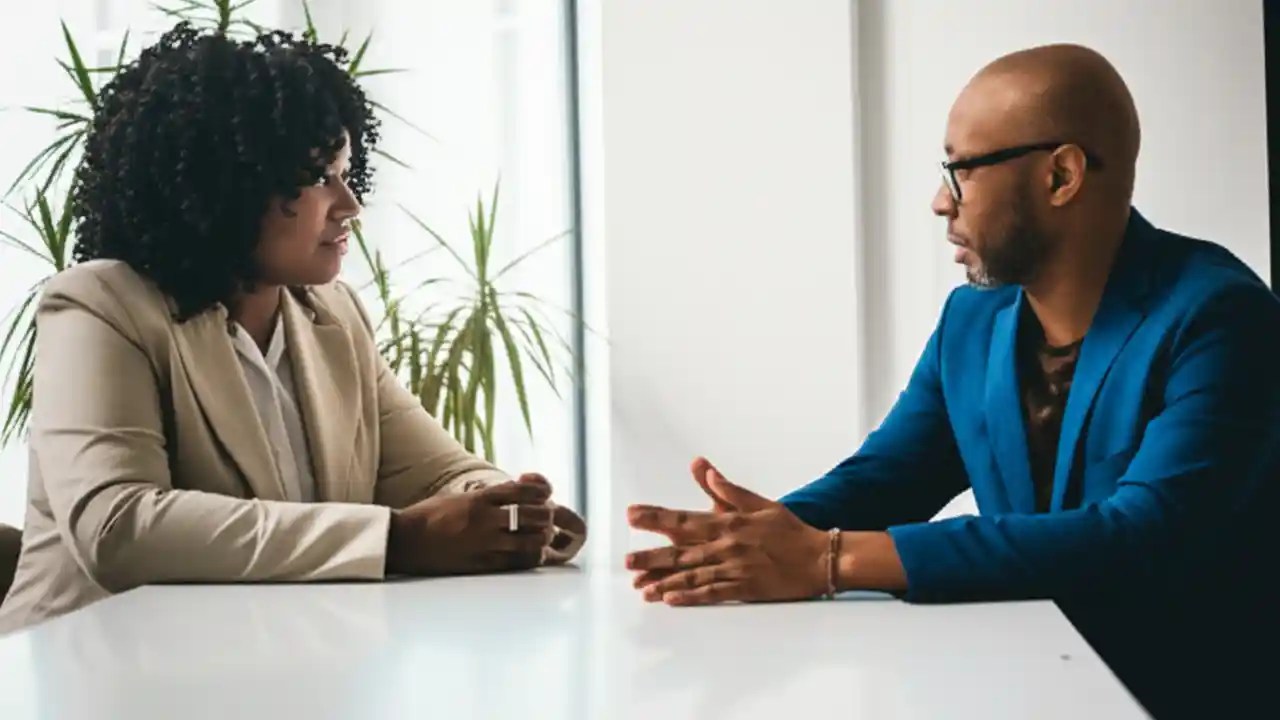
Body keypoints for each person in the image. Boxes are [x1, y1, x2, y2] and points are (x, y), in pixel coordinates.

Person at [626, 44, 1279, 718]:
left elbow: (1136, 537)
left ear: (1061, 176)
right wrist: (755, 539)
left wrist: (827, 560)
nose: (942, 202)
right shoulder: (974, 318)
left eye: (960, 170)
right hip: (1022, 683)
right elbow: (887, 477)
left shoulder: (1220, 317)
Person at [0, 23, 585, 634]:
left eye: (345, 173)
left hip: (266, 667)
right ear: (226, 185)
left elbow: (437, 472)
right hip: (81, 675)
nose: (349, 204)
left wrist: (509, 512)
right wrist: (399, 540)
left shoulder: (332, 314)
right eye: (317, 179)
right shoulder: (102, 305)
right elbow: (119, 526)